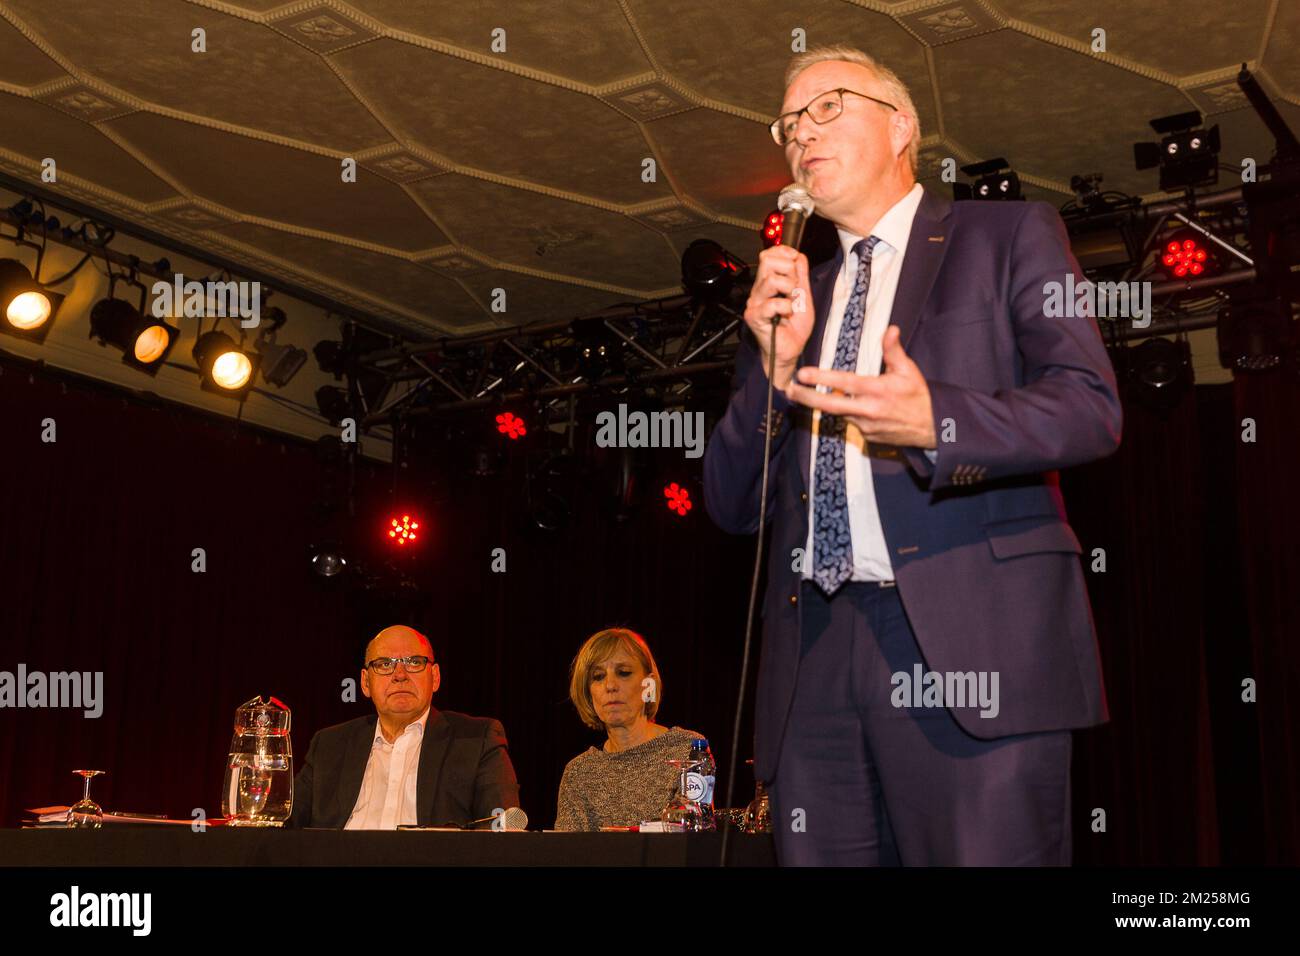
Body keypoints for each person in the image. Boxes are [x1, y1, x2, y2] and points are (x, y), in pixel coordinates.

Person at [703, 45, 1121, 865]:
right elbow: (725, 501)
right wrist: (772, 374)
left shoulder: (1006, 236)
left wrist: (941, 421)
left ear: (902, 127)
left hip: (970, 639)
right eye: (788, 123)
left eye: (827, 107)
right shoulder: (792, 297)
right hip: (813, 653)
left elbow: (1092, 407)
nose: (800, 134)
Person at [288, 625, 521, 829]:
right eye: (384, 664)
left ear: (435, 677)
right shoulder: (329, 745)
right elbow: (281, 824)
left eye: (414, 662)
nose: (400, 675)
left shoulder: (478, 740)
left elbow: (501, 836)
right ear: (365, 683)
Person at [554, 628, 705, 830]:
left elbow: (691, 840)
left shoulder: (688, 749)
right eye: (598, 676)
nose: (610, 685)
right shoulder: (578, 772)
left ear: (648, 685)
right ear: (589, 693)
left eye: (623, 673)